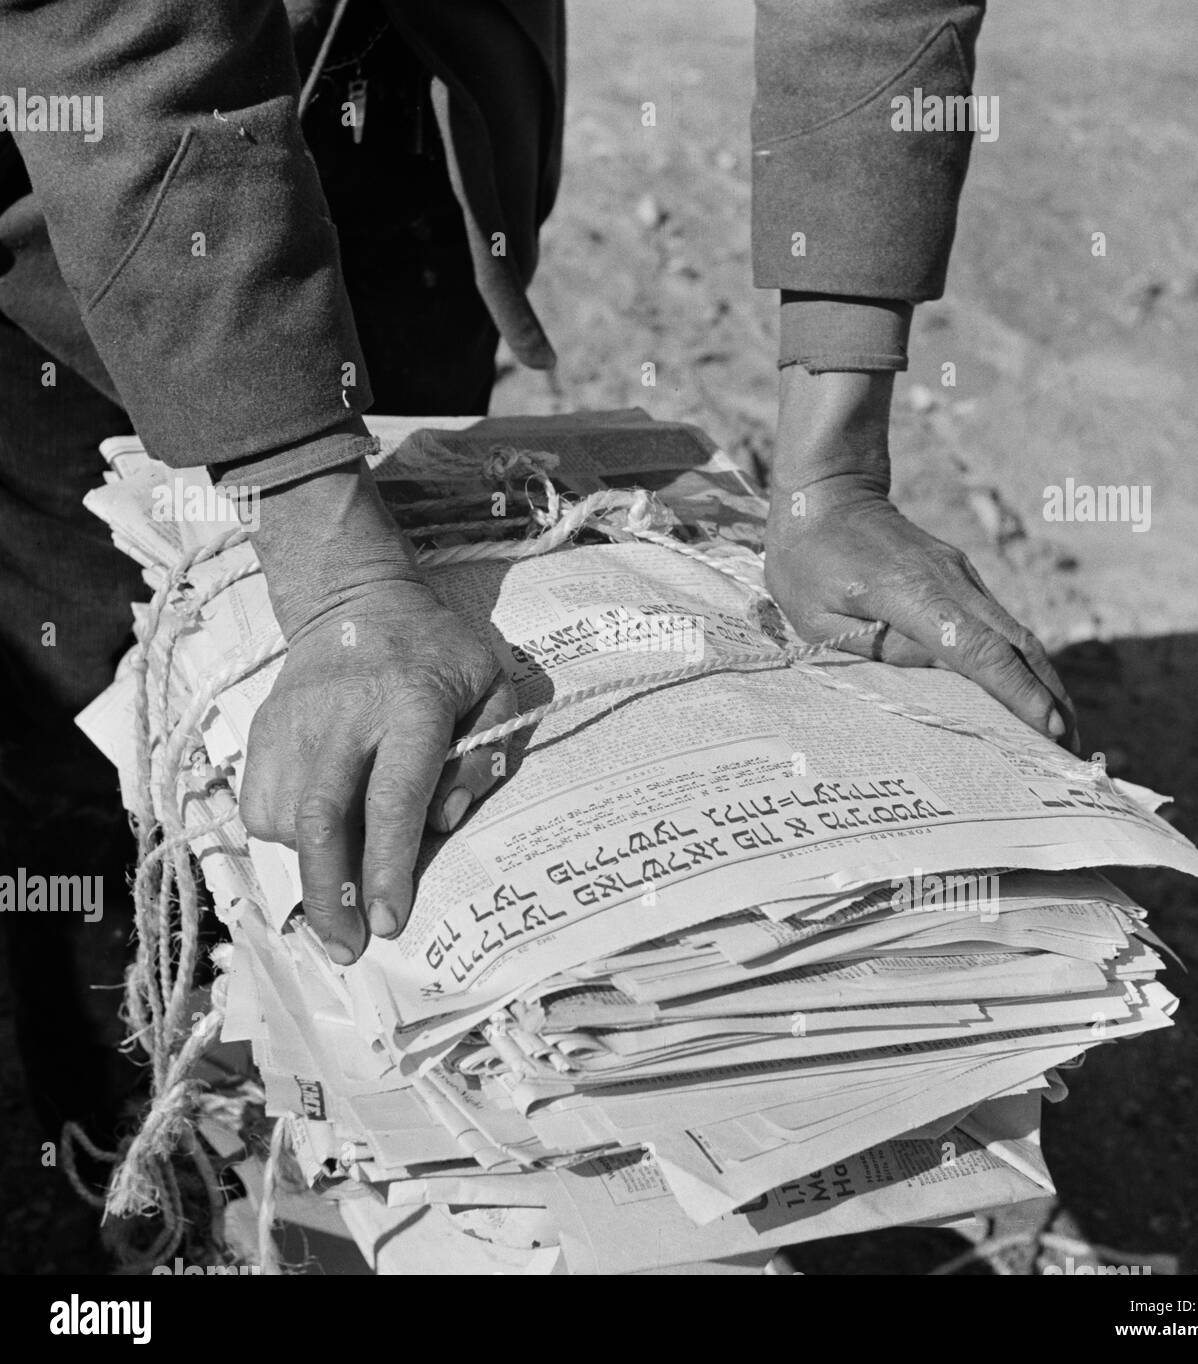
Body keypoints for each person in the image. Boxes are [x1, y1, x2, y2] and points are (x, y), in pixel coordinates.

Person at [0, 0, 1076, 1143]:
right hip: (68, 123)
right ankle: (135, 1109)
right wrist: (336, 567)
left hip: (409, 88)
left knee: (410, 643)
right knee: (108, 688)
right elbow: (118, 30)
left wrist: (835, 468)